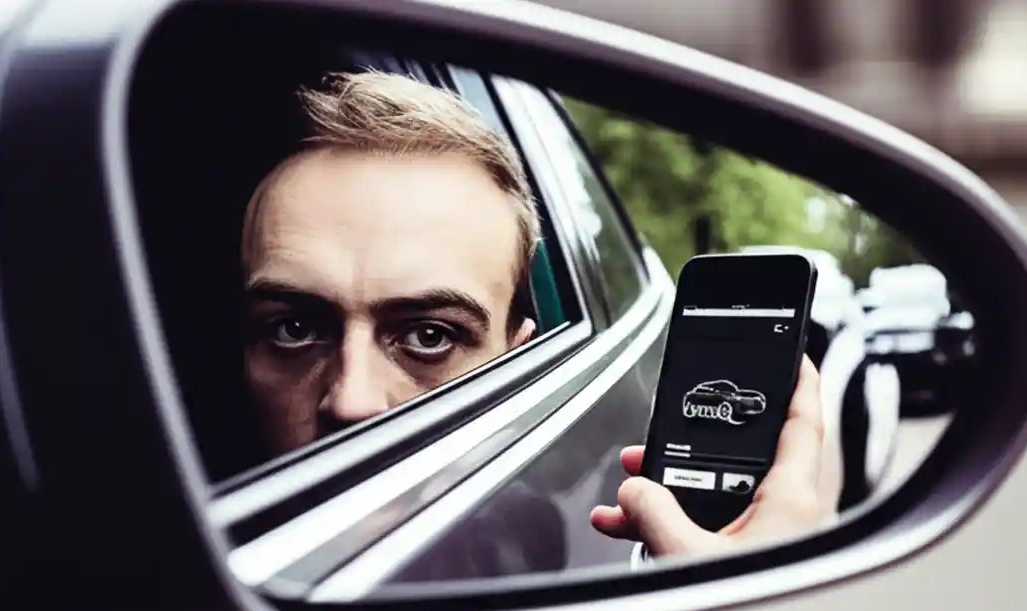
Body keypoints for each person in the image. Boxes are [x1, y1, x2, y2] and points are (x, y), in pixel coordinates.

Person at [239, 70, 833, 563]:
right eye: (295, 328)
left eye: (428, 335)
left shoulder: (525, 532)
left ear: (513, 354)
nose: (352, 403)